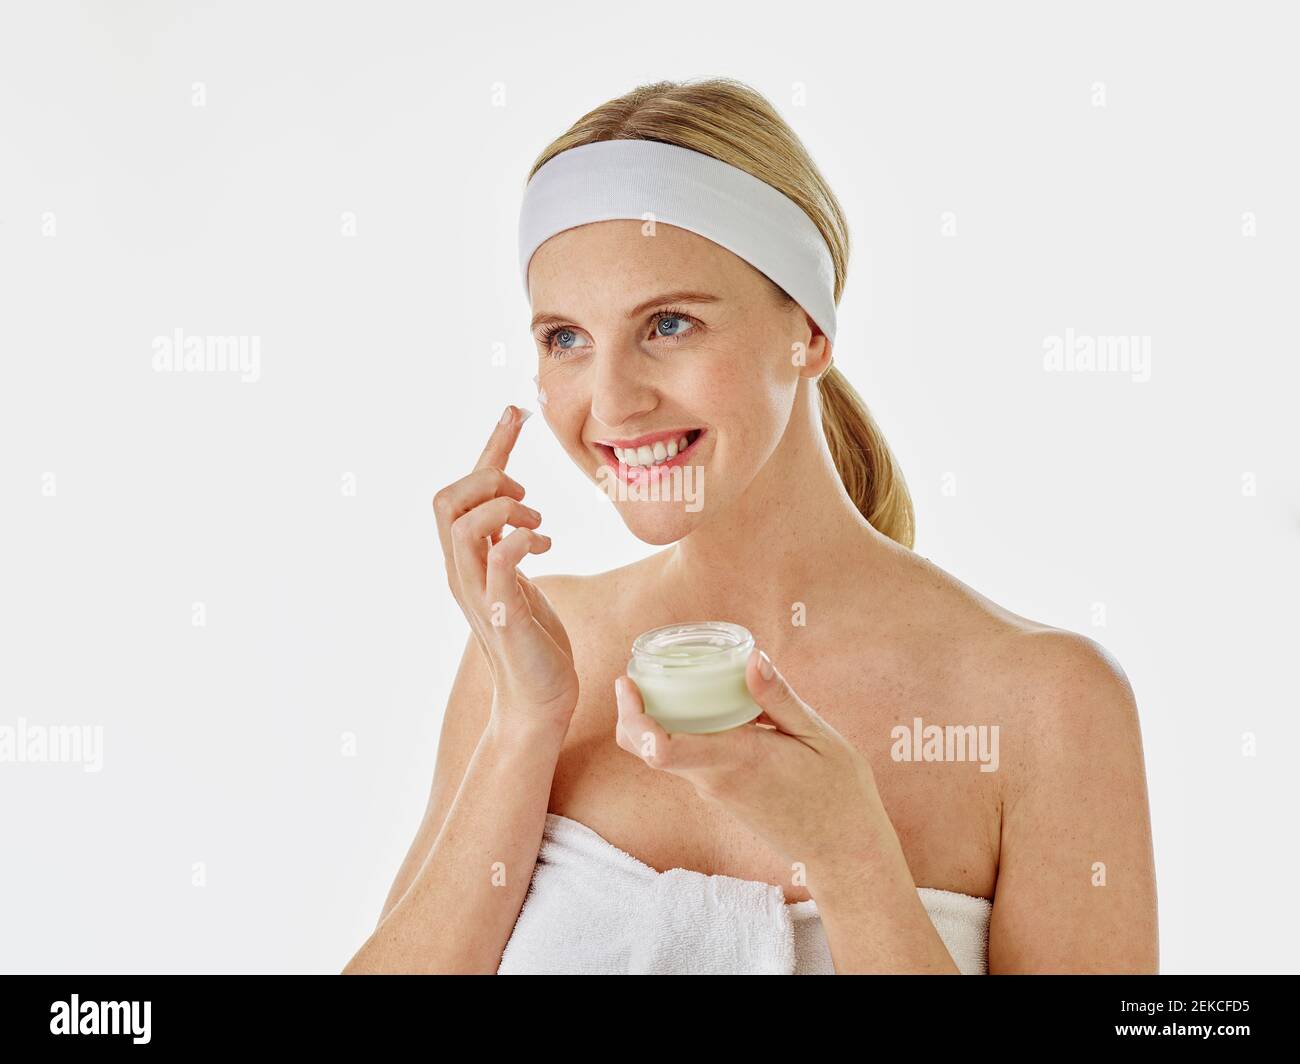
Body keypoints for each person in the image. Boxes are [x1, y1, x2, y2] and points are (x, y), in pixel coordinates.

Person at [343, 77, 1158, 974]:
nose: (610, 401)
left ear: (806, 331)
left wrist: (852, 857)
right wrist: (524, 728)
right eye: (565, 338)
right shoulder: (535, 658)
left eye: (669, 322)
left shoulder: (1048, 703)